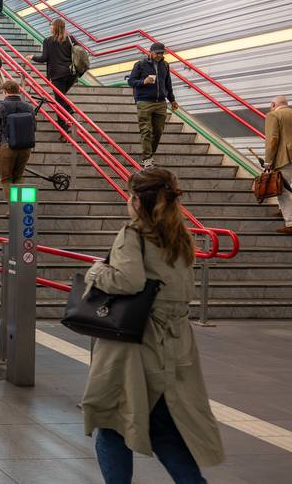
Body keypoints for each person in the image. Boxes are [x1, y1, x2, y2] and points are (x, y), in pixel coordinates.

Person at [81, 169, 225, 483]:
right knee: (165, 430)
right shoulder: (181, 235)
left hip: (136, 344)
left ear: (135, 200)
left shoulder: (134, 234)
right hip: (176, 344)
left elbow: (128, 281)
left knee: (112, 422)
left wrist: (95, 272)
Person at [127, 42, 179, 170]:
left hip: (161, 102)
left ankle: (150, 154)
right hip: (144, 102)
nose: (159, 56)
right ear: (150, 52)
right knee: (146, 131)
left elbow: (168, 84)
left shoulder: (165, 65)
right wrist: (143, 82)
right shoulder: (140, 65)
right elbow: (131, 81)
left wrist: (172, 100)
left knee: (158, 131)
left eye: (162, 53)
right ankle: (147, 158)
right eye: (157, 53)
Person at [0, 81, 33, 199]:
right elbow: (33, 127)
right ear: (18, 91)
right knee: (19, 177)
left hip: (7, 147)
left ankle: (14, 210)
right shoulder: (29, 107)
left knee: (6, 179)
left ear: (4, 92)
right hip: (25, 147)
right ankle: (23, 209)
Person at [33, 18, 77, 132]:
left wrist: (32, 57)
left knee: (59, 100)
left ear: (54, 27)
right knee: (61, 97)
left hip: (57, 75)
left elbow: (44, 58)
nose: (50, 27)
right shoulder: (70, 39)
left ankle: (64, 127)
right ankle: (68, 112)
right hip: (71, 74)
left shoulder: (48, 40)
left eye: (51, 25)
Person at [264, 95, 292, 235]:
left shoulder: (273, 115)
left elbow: (273, 140)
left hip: (285, 158)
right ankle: (283, 210)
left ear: (273, 104)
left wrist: (268, 161)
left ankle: (290, 222)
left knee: (283, 190)